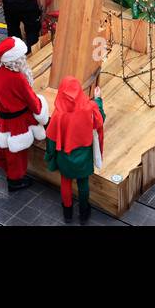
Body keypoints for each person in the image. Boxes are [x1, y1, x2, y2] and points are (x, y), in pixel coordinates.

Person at [0, 36, 49, 193]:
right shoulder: (17, 78)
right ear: (15, 59)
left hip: (1, 116)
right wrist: (42, 111)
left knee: (3, 148)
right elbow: (32, 101)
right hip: (18, 121)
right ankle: (15, 181)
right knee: (17, 152)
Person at [45, 76, 105, 223]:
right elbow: (100, 118)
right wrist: (98, 99)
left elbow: (51, 138)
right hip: (84, 155)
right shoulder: (89, 108)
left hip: (64, 156)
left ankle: (67, 213)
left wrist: (50, 155)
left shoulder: (58, 114)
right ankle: (84, 213)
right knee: (83, 183)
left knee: (65, 182)